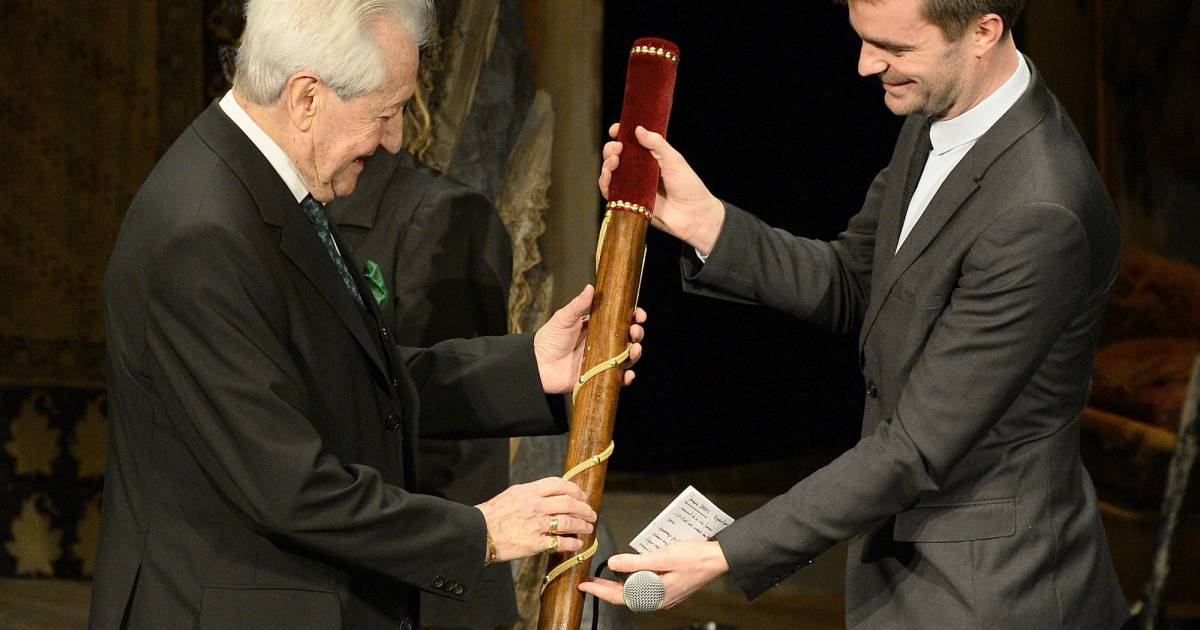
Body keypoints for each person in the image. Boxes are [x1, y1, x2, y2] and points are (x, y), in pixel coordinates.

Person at [90, 1, 645, 628]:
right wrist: (481, 532)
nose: (395, 140)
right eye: (385, 112)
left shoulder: (269, 183)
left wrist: (529, 368)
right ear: (306, 97)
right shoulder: (203, 234)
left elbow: (346, 384)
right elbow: (289, 486)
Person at [580, 1, 1128, 628]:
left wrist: (725, 554)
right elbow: (854, 282)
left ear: (983, 31)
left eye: (894, 48)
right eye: (864, 40)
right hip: (902, 561)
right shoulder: (935, 116)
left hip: (989, 587)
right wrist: (707, 223)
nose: (868, 65)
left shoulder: (1040, 211)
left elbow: (918, 447)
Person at [326, 150, 520, 629]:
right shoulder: (298, 210)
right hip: (344, 566)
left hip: (422, 585)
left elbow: (454, 417)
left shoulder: (440, 213)